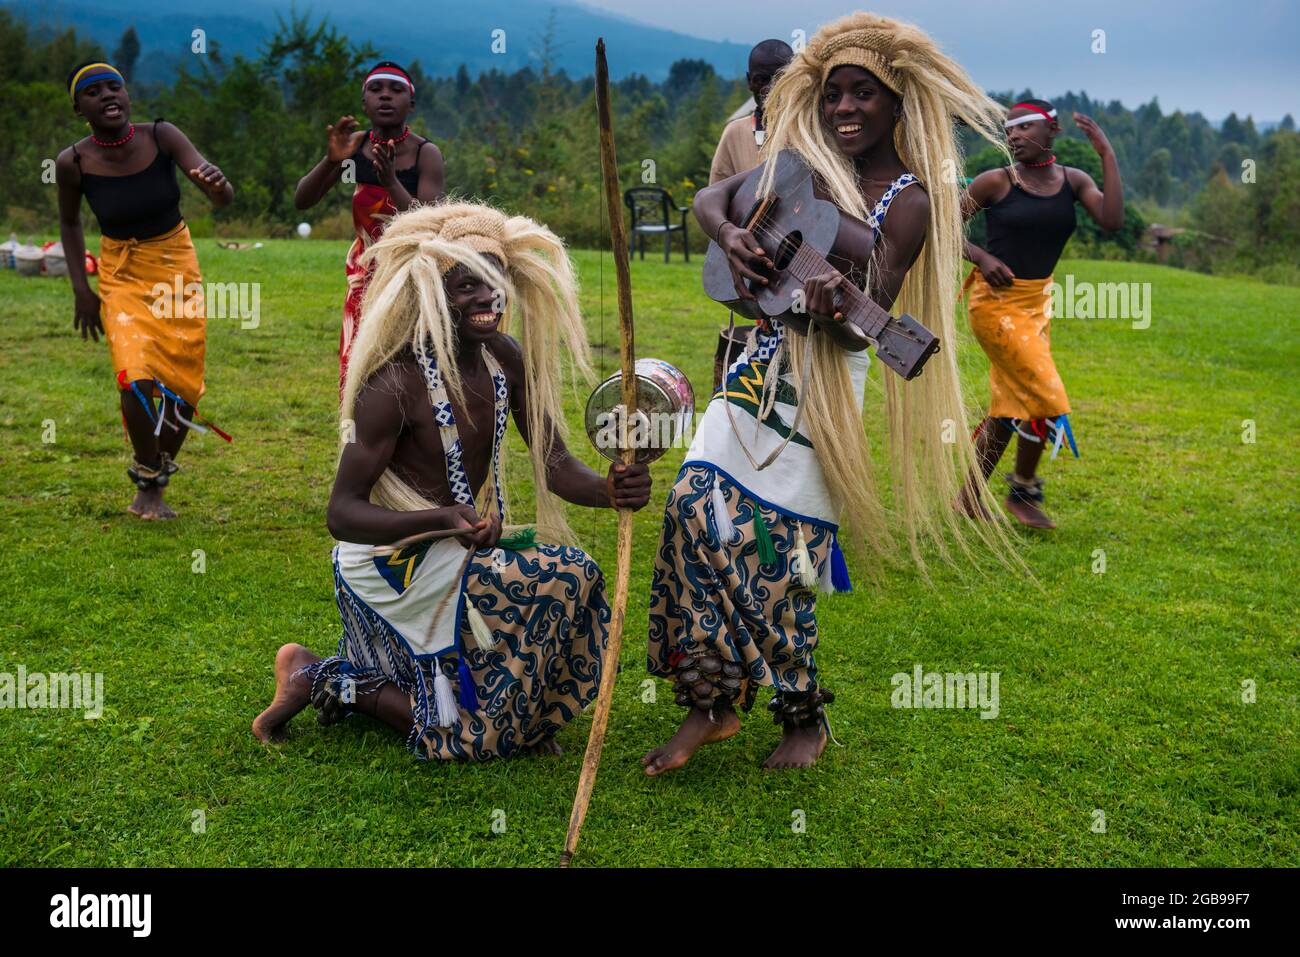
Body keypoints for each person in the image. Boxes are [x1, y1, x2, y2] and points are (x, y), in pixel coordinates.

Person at [644, 13, 1016, 774]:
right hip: (757, 365)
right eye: (834, 94)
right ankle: (708, 701)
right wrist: (731, 237)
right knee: (690, 505)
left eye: (863, 96)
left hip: (825, 396)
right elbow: (710, 199)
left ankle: (802, 716)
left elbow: (864, 325)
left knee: (779, 553)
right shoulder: (799, 165)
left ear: (898, 105)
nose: (844, 109)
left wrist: (833, 304)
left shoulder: (908, 201)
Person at [252, 202, 652, 760]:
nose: (488, 297)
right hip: (392, 560)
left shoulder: (505, 358)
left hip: (462, 545)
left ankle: (523, 717)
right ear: (433, 293)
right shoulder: (393, 383)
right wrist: (441, 519)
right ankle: (322, 676)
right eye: (468, 285)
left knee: (572, 574)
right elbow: (341, 515)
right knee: (469, 739)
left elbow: (555, 463)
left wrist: (610, 491)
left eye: (495, 282)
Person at [56, 60, 235, 520]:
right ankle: (147, 476)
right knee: (134, 377)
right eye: (93, 92)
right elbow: (70, 221)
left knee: (181, 384)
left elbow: (219, 192)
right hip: (120, 270)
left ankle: (156, 482)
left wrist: (216, 187)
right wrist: (82, 289)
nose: (107, 96)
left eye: (114, 87)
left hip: (175, 264)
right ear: (79, 108)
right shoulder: (72, 162)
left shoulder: (161, 136)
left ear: (128, 94)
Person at [960, 99, 1124, 528]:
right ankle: (1022, 491)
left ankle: (971, 497)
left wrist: (1107, 154)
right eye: (1010, 130)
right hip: (994, 305)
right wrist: (980, 257)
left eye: (1025, 127)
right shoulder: (994, 182)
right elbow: (940, 226)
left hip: (1036, 304)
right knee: (1046, 393)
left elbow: (1111, 220)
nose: (1014, 135)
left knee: (1015, 403)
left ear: (1052, 131)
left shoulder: (1074, 181)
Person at [294, 61, 445, 394]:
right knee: (359, 370)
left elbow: (430, 229)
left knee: (409, 369)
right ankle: (360, 438)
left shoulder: (425, 154)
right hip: (364, 279)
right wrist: (332, 161)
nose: (385, 97)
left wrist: (391, 182)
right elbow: (303, 200)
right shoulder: (355, 147)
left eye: (396, 90)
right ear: (364, 104)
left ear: (411, 103)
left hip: (412, 278)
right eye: (375, 90)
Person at [708, 39, 794, 186]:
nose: (771, 89)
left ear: (794, 80)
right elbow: (716, 194)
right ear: (749, 81)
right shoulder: (735, 133)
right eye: (762, 80)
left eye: (780, 79)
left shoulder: (810, 130)